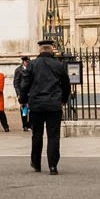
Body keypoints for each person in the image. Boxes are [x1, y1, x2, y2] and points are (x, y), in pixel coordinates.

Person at [20, 35, 71, 175]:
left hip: (36, 105)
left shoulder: (32, 65)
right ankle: (53, 166)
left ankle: (36, 162)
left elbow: (25, 84)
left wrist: (23, 100)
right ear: (52, 49)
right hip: (54, 105)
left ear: (40, 49)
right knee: (53, 136)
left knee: (37, 135)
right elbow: (66, 85)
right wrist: (64, 99)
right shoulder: (58, 65)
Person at [13, 55, 30, 135]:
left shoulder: (31, 69)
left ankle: (30, 124)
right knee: (24, 109)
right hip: (22, 93)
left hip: (30, 92)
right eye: (26, 61)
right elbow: (16, 83)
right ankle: (24, 125)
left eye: (28, 61)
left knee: (31, 109)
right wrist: (18, 93)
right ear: (23, 62)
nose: (27, 63)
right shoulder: (18, 70)